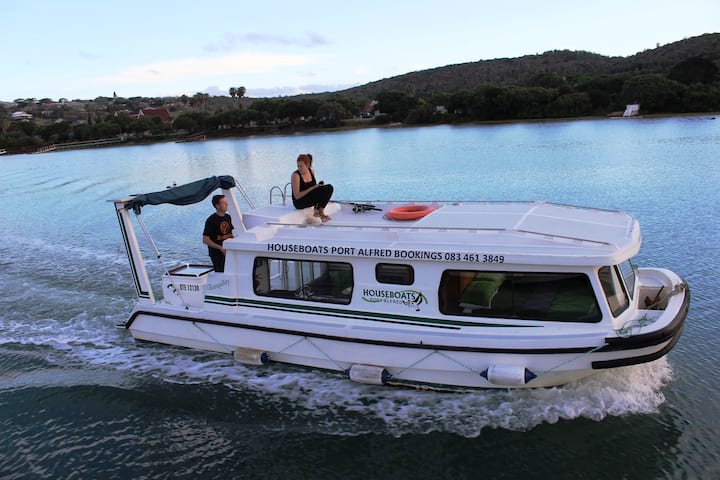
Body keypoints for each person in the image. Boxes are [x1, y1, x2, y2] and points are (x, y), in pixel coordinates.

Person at [291, 153, 334, 221]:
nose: (299, 168)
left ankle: (321, 211)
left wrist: (317, 186)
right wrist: (312, 188)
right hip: (299, 202)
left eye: (301, 166)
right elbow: (297, 196)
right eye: (298, 166)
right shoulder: (295, 175)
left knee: (329, 188)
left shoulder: (311, 171)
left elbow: (315, 190)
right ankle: (316, 212)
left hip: (309, 198)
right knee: (322, 190)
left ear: (307, 165)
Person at [202, 194, 234, 272]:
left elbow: (231, 233)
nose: (227, 204)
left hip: (229, 251)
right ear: (217, 206)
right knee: (222, 273)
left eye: (226, 202)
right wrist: (220, 248)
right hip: (217, 254)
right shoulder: (211, 220)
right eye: (224, 203)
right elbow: (205, 240)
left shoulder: (228, 217)